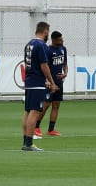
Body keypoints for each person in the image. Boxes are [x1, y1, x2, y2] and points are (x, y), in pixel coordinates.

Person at [21, 22, 58, 152]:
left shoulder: (29, 44)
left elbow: (28, 64)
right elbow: (44, 65)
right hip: (36, 82)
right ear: (45, 31)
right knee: (35, 111)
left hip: (29, 81)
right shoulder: (41, 45)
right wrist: (51, 82)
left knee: (28, 111)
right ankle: (29, 143)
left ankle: (25, 141)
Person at [34, 30, 69, 137]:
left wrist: (65, 73)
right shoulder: (48, 50)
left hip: (59, 82)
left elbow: (65, 63)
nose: (62, 41)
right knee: (46, 105)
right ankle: (36, 127)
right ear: (54, 40)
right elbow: (44, 66)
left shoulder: (63, 49)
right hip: (49, 82)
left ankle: (51, 130)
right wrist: (47, 80)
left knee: (56, 105)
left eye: (62, 39)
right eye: (60, 40)